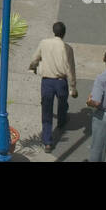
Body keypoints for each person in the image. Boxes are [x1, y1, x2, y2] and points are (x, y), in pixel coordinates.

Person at [28, 21, 77, 152]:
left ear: (53, 31)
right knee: (62, 102)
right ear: (64, 33)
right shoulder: (67, 48)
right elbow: (70, 69)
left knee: (47, 111)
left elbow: (35, 59)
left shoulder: (44, 43)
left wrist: (32, 67)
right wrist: (73, 87)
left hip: (47, 82)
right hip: (61, 82)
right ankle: (61, 121)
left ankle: (48, 142)